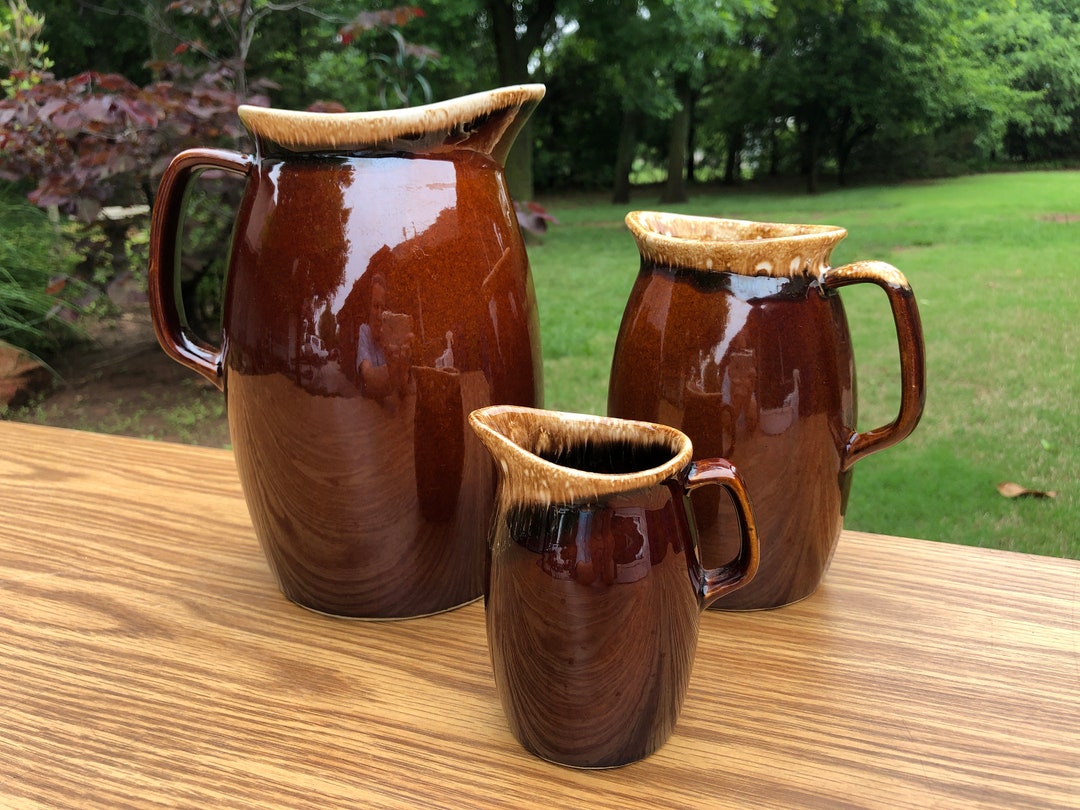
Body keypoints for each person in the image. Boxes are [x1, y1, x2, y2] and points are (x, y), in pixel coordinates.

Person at [358, 273, 413, 400]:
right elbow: (367, 375)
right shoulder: (365, 331)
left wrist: (404, 370)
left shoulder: (393, 335)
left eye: (383, 308)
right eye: (375, 306)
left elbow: (403, 393)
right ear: (368, 308)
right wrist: (392, 370)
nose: (379, 315)